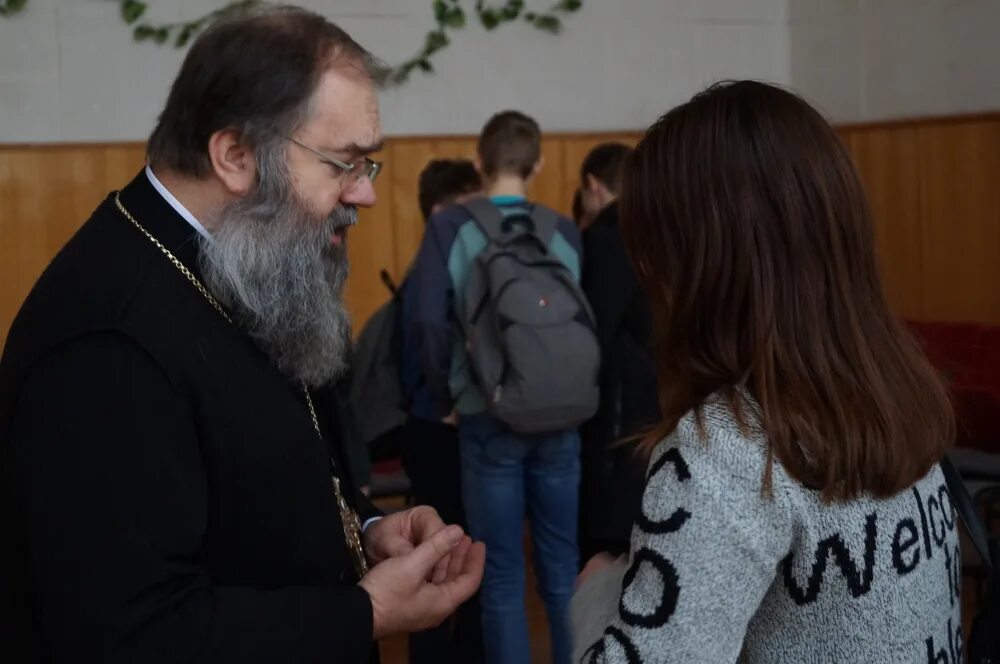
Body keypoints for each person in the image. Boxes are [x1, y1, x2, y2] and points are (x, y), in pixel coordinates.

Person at [0, 6, 484, 662]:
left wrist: (364, 529)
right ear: (234, 155)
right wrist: (365, 612)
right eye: (344, 163)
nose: (364, 195)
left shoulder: (245, 259)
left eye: (365, 165)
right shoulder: (107, 343)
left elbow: (268, 467)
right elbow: (132, 632)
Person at [573, 81, 959, 662]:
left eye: (651, 249)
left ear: (702, 264)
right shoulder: (895, 388)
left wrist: (595, 598)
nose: (646, 274)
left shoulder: (725, 446)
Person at [411, 111, 584, 664]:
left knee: (503, 578)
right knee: (562, 572)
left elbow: (428, 324)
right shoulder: (563, 229)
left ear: (480, 163)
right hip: (562, 414)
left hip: (486, 412)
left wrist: (446, 398)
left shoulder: (450, 227)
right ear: (537, 164)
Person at [398, 159, 484, 664]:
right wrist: (450, 401)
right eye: (465, 209)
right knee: (441, 562)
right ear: (439, 211)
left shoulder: (442, 267)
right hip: (438, 427)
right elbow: (429, 344)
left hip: (438, 424)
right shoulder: (431, 275)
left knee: (462, 558)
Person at [576, 143, 657, 563]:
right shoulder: (661, 228)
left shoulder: (608, 235)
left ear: (593, 185)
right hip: (661, 395)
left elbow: (596, 328)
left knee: (605, 554)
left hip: (617, 409)